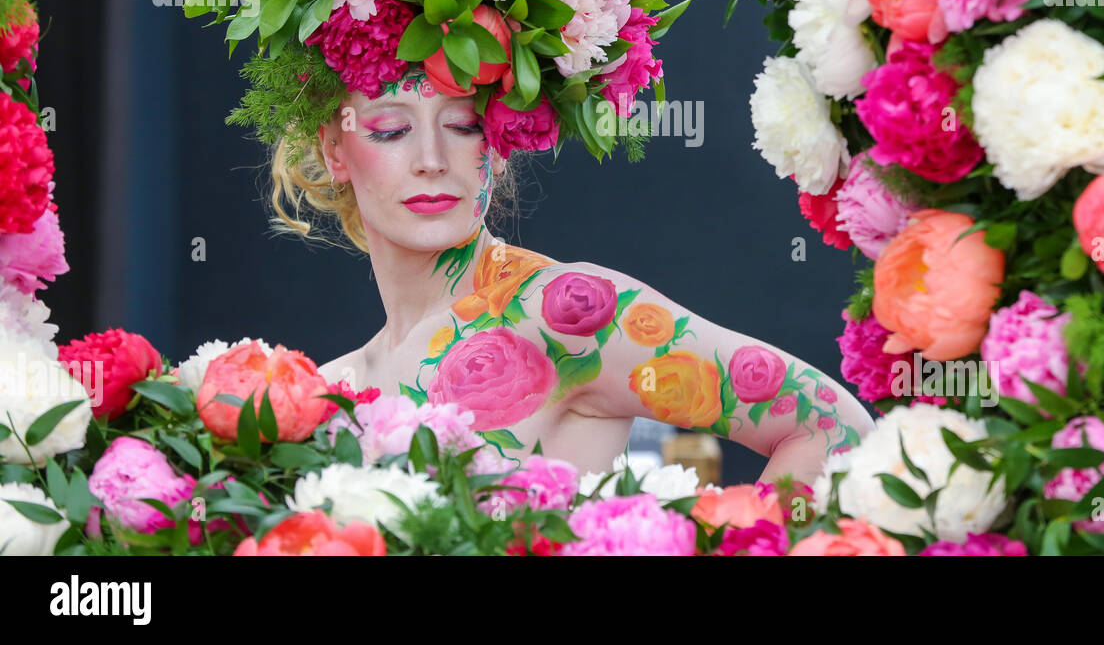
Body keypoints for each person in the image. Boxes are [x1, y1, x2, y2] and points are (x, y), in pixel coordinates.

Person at [282, 72, 876, 487]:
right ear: (335, 149)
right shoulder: (326, 389)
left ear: (501, 142)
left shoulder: (565, 316)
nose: (431, 157)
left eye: (463, 124)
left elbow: (832, 428)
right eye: (390, 128)